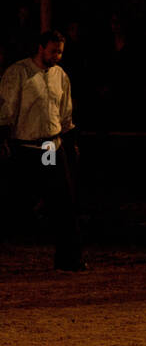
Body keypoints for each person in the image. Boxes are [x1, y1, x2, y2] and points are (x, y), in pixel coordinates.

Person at [0, 30, 85, 270]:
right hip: (26, 146)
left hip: (50, 145)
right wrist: (3, 140)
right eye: (53, 51)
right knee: (15, 202)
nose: (57, 56)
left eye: (59, 51)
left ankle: (69, 257)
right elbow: (6, 109)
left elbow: (65, 113)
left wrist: (70, 142)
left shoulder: (60, 76)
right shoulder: (18, 73)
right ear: (40, 48)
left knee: (63, 201)